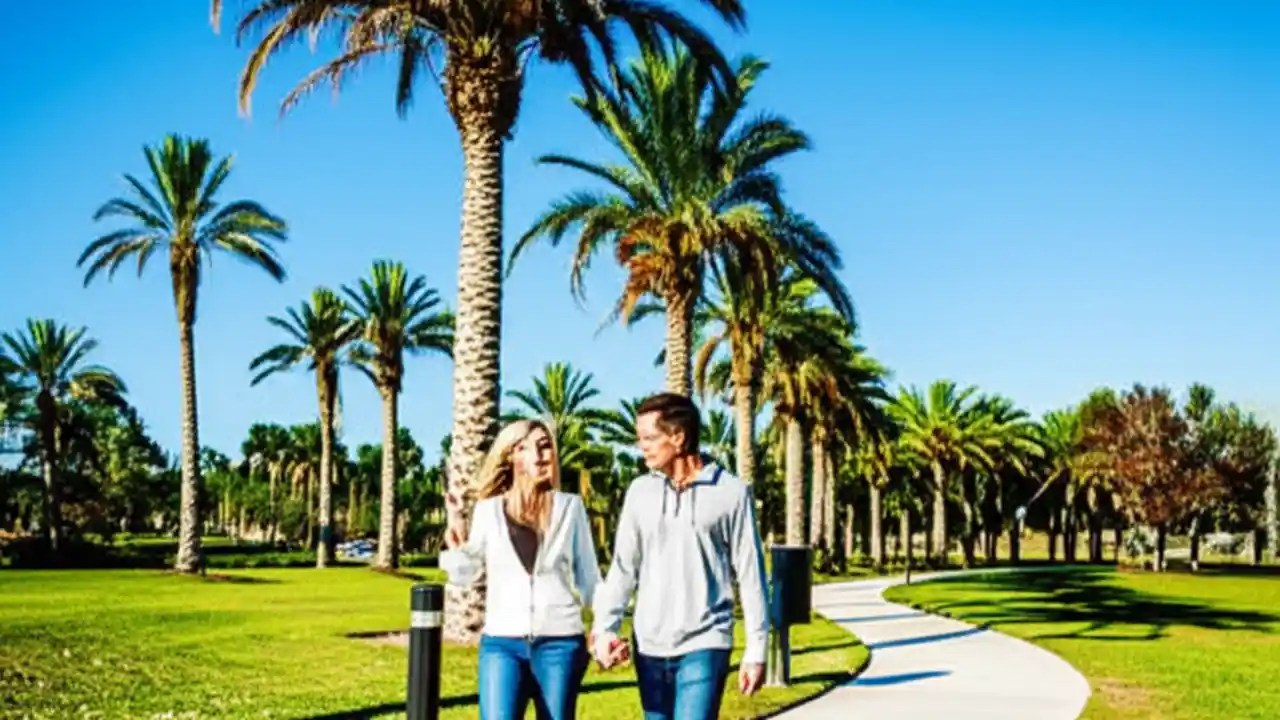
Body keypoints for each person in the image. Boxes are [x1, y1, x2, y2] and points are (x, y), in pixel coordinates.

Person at [591, 392, 769, 719]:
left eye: (649, 438)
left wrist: (756, 650)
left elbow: (751, 574)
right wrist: (606, 629)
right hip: (648, 644)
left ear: (678, 436)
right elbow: (622, 569)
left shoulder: (731, 492)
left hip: (706, 642)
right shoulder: (640, 492)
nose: (641, 446)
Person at [440, 419, 601, 720]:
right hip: (502, 642)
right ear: (511, 456)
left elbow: (589, 576)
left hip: (561, 643)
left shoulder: (570, 507)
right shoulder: (489, 510)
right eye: (526, 447)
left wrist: (604, 629)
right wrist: (456, 544)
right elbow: (469, 572)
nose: (540, 454)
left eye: (545, 446)